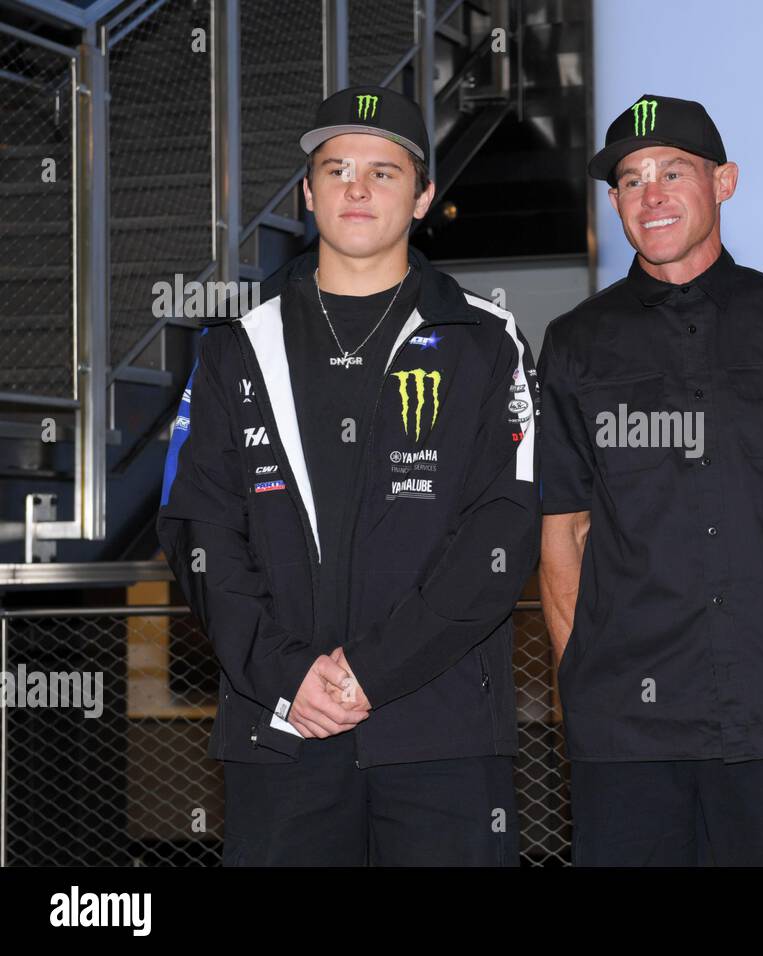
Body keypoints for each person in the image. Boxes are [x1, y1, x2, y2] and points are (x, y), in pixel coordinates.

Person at [157, 85, 540, 865]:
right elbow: (198, 531)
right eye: (335, 170)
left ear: (424, 194)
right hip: (282, 733)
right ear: (307, 193)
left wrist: (373, 669)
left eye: (383, 172)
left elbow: (501, 534)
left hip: (444, 738)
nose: (356, 189)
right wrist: (286, 673)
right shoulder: (235, 348)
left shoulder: (486, 342)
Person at [538, 93, 763, 866]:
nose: (651, 194)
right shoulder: (575, 343)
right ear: (615, 202)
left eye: (673, 171)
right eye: (631, 179)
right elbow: (562, 531)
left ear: (725, 182)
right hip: (627, 729)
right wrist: (584, 689)